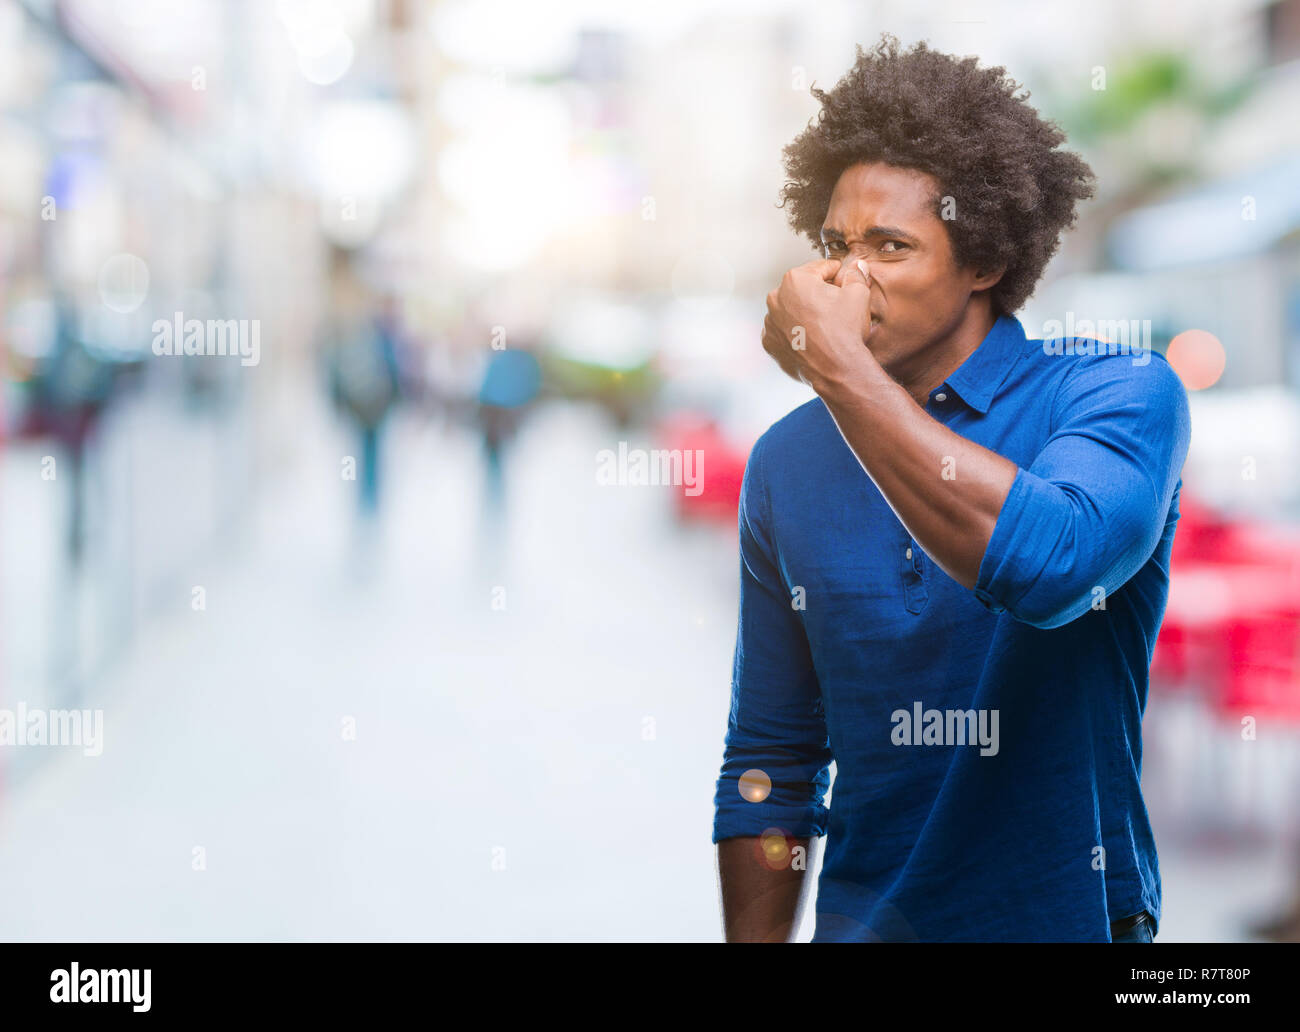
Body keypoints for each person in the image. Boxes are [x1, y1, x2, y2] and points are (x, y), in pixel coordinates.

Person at [712, 36, 1190, 942]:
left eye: (890, 246)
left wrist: (840, 371)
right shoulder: (786, 462)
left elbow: (1053, 565)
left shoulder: (1118, 394)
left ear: (984, 261)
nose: (848, 281)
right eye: (835, 247)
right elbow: (770, 763)